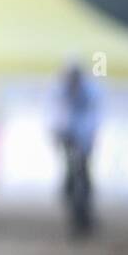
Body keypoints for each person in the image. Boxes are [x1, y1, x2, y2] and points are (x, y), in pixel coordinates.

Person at [54, 62, 100, 237]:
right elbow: (57, 116)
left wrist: (84, 142)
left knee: (81, 176)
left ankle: (82, 216)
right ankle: (77, 214)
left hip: (83, 140)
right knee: (73, 177)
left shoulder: (89, 93)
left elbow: (92, 120)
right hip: (70, 139)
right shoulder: (61, 91)